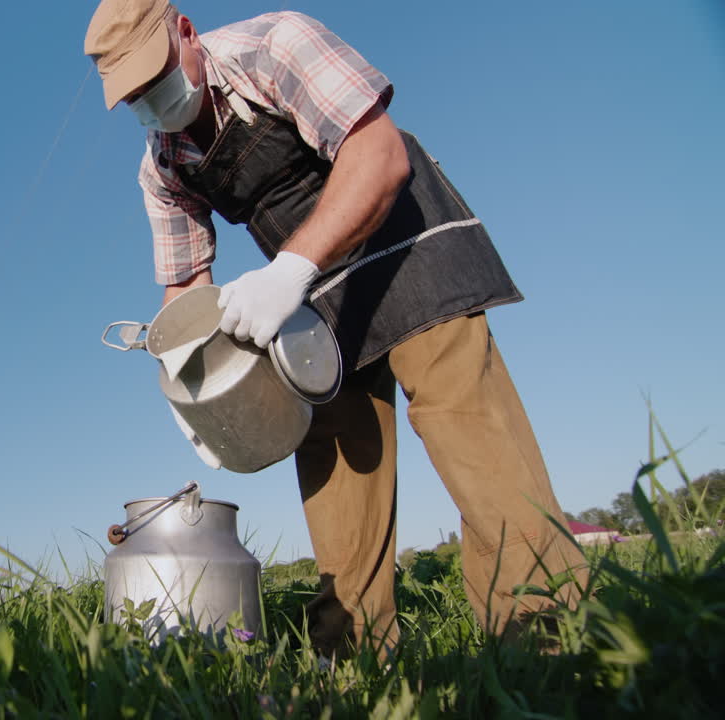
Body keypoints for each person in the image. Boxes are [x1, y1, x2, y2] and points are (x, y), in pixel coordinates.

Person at [84, 0, 587, 657]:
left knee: (465, 426)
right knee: (333, 459)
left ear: (185, 32)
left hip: (404, 245)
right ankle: (352, 657)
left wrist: (288, 272)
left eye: (157, 78)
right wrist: (190, 384)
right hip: (313, 297)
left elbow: (379, 155)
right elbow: (184, 293)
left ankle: (546, 644)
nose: (154, 102)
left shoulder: (275, 47)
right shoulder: (165, 168)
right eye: (136, 97)